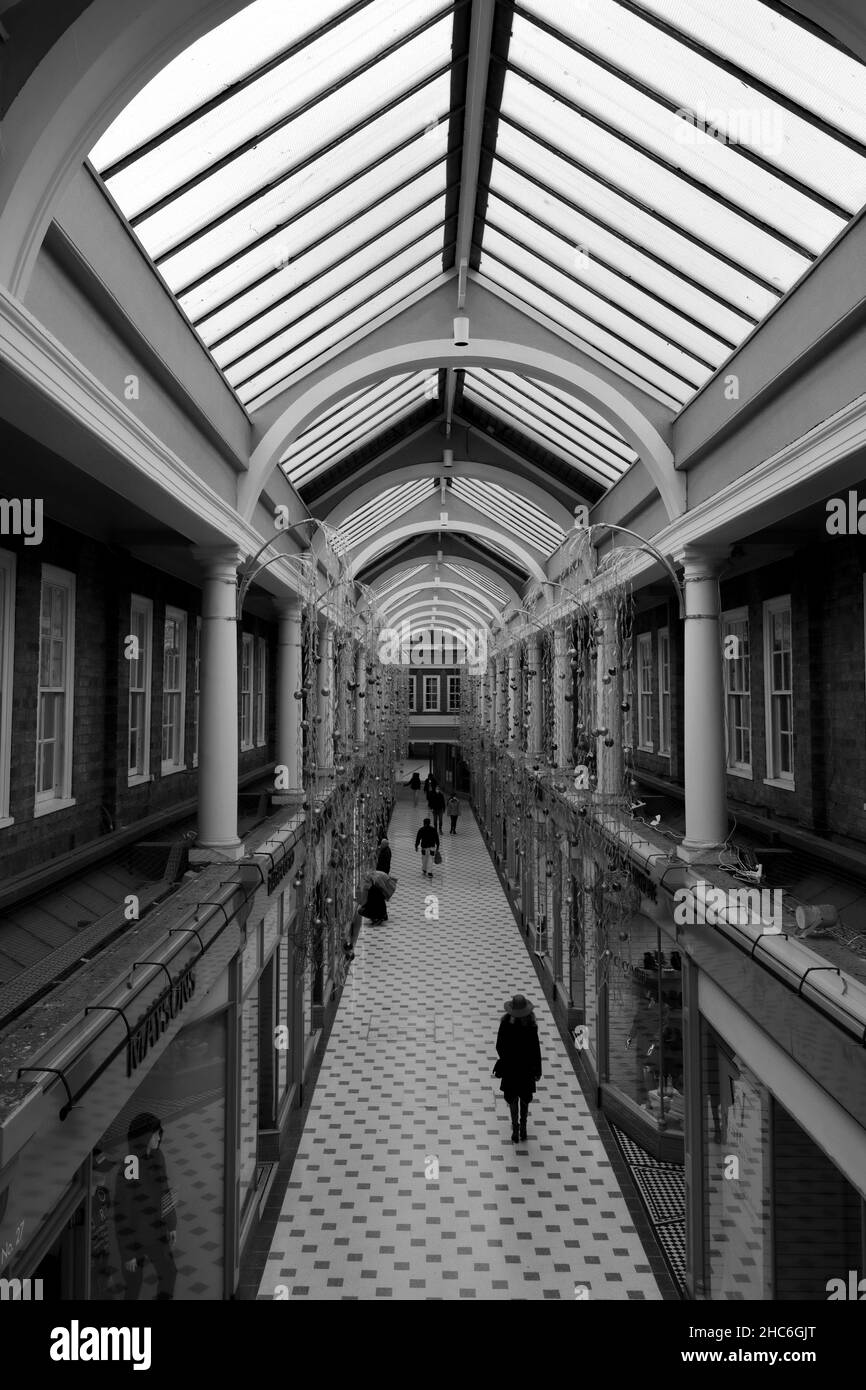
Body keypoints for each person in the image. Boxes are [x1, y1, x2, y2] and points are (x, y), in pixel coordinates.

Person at [114, 1112, 177, 1300]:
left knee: (169, 1273)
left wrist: (171, 1224)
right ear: (145, 1137)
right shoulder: (130, 1166)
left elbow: (164, 1190)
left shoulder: (158, 1156)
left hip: (156, 1233)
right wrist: (128, 1253)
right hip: (135, 1239)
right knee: (133, 1285)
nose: (159, 1137)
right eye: (156, 1133)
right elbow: (123, 1212)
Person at [495, 995, 542, 1143]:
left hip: (511, 1069)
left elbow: (499, 1046)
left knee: (513, 1098)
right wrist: (537, 1070)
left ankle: (515, 1127)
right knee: (525, 1098)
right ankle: (524, 1127)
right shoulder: (531, 1026)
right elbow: (536, 1050)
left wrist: (506, 1058)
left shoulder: (505, 1024)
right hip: (526, 1069)